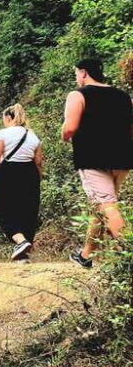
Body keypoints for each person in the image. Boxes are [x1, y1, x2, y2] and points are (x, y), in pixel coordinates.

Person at [62, 58, 133, 269]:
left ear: (83, 73)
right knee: (101, 208)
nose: (76, 77)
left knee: (107, 207)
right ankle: (85, 256)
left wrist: (64, 133)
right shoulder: (123, 96)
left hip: (93, 159)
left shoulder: (78, 95)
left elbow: (69, 129)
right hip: (122, 158)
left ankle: (129, 254)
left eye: (76, 73)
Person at [0, 103, 43, 262]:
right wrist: (38, 178)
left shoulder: (2, 133)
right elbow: (38, 161)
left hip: (8, 173)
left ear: (8, 117)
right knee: (27, 212)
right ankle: (24, 254)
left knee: (2, 210)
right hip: (30, 174)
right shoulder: (33, 136)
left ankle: (20, 241)